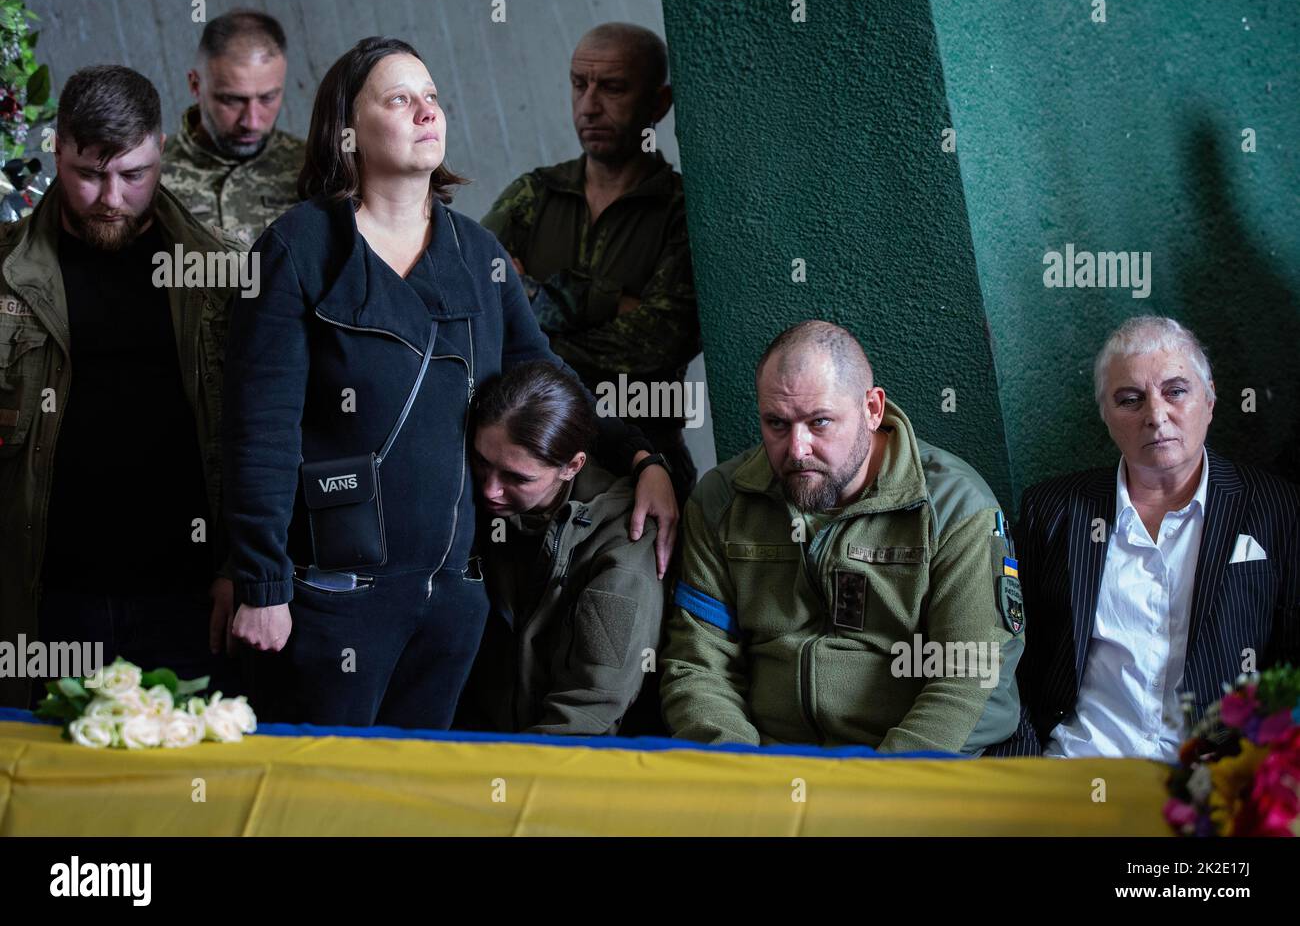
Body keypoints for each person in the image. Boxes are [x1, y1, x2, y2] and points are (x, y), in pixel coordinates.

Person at [221, 37, 677, 729]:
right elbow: (260, 428)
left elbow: (547, 377)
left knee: (417, 807)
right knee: (317, 805)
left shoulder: (477, 254)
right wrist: (260, 581)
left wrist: (641, 455)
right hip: (329, 597)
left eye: (431, 97)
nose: (426, 112)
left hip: (451, 601)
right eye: (400, 99)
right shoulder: (298, 248)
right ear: (347, 128)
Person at [659, 321, 1023, 753]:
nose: (797, 449)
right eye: (776, 423)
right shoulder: (722, 501)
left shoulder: (955, 507)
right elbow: (698, 664)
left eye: (820, 422)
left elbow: (971, 678)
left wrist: (873, 794)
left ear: (872, 409)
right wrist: (743, 775)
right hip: (762, 768)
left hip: (901, 778)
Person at [0, 65, 242, 708]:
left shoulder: (219, 271)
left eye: (133, 174)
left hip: (187, 593)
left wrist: (236, 568)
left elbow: (255, 434)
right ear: (57, 149)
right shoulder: (5, 275)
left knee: (184, 787)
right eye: (88, 173)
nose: (111, 196)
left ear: (160, 152)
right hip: (46, 593)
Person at [990, 316, 1299, 758]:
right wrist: (1026, 772)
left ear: (1210, 400)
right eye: (1130, 400)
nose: (1156, 416)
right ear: (1106, 416)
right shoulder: (1053, 512)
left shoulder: (1278, 510)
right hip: (1074, 773)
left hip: (1213, 784)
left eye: (1176, 391)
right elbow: (1009, 658)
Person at [481, 23, 700, 504]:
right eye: (580, 84)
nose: (590, 105)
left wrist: (531, 312)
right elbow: (476, 300)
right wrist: (607, 303)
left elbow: (655, 345)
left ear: (658, 103)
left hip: (643, 470)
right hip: (526, 472)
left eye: (613, 88)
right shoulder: (533, 193)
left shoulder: (682, 212)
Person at [454, 361, 664, 735]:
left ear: (572, 466)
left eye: (517, 478)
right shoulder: (473, 504)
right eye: (483, 464)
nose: (490, 490)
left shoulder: (621, 550)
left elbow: (589, 709)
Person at [162, 9, 306, 246]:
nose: (251, 122)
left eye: (268, 98)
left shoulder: (313, 169)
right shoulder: (146, 175)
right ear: (195, 85)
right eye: (232, 100)